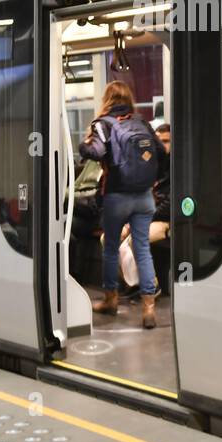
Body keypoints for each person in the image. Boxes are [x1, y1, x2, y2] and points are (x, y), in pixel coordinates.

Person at [79, 81, 166, 329]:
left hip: (117, 195)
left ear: (107, 99)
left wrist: (83, 144)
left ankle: (111, 299)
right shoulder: (142, 123)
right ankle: (149, 308)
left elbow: (94, 152)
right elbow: (160, 151)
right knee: (142, 249)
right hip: (144, 197)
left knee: (110, 248)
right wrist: (151, 180)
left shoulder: (103, 123)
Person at [118, 122, 171, 297]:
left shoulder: (176, 168)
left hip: (165, 220)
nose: (163, 145)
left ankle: (151, 286)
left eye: (167, 141)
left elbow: (170, 204)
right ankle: (131, 283)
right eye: (159, 141)